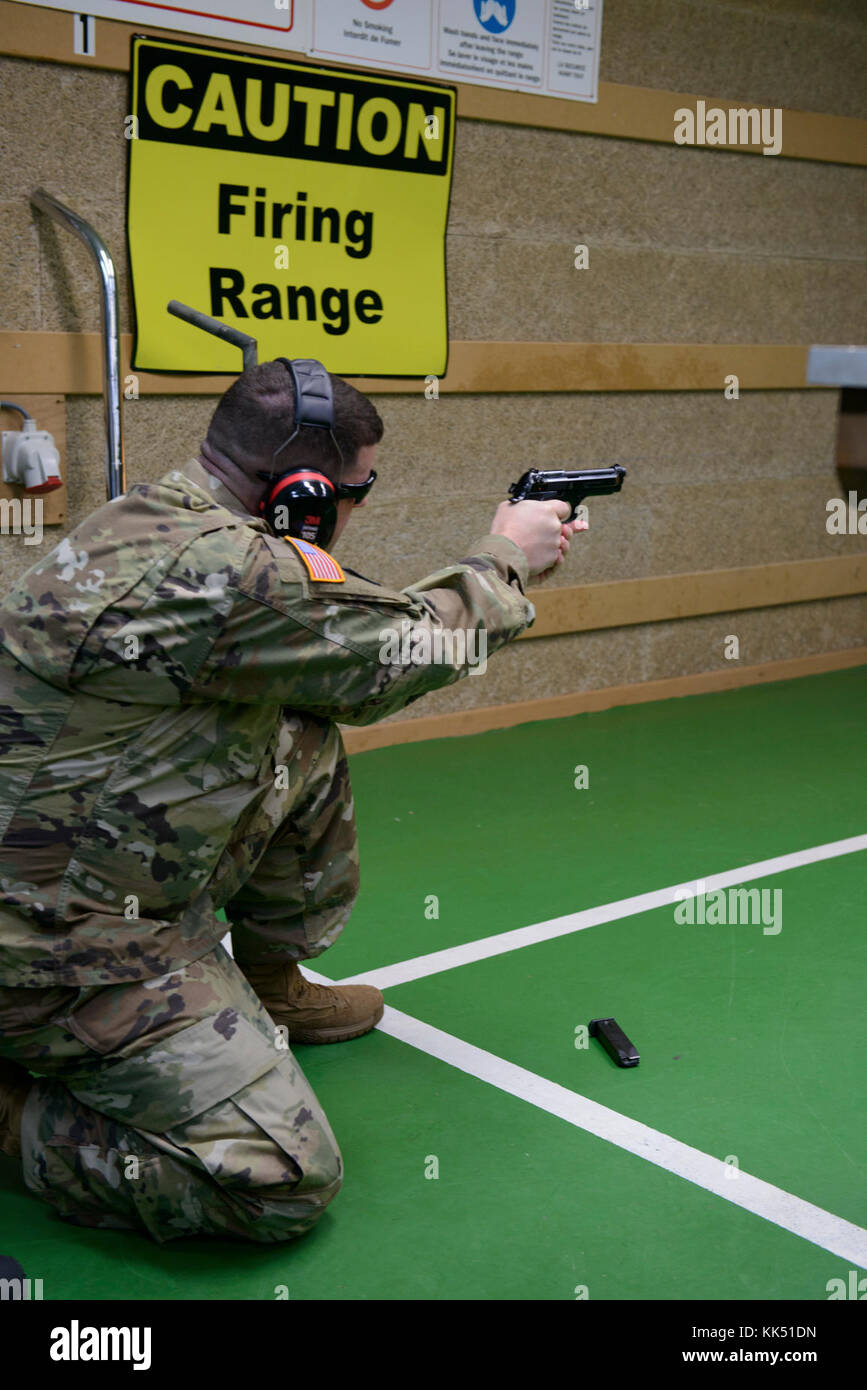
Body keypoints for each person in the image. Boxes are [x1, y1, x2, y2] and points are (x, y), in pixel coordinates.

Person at [0, 361, 580, 1243]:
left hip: (64, 876)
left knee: (299, 731)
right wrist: (506, 553)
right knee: (274, 1179)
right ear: (306, 491)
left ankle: (270, 986)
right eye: (360, 489)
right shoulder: (230, 573)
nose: (359, 506)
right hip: (58, 952)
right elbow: (404, 649)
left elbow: (328, 655)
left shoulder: (154, 519)